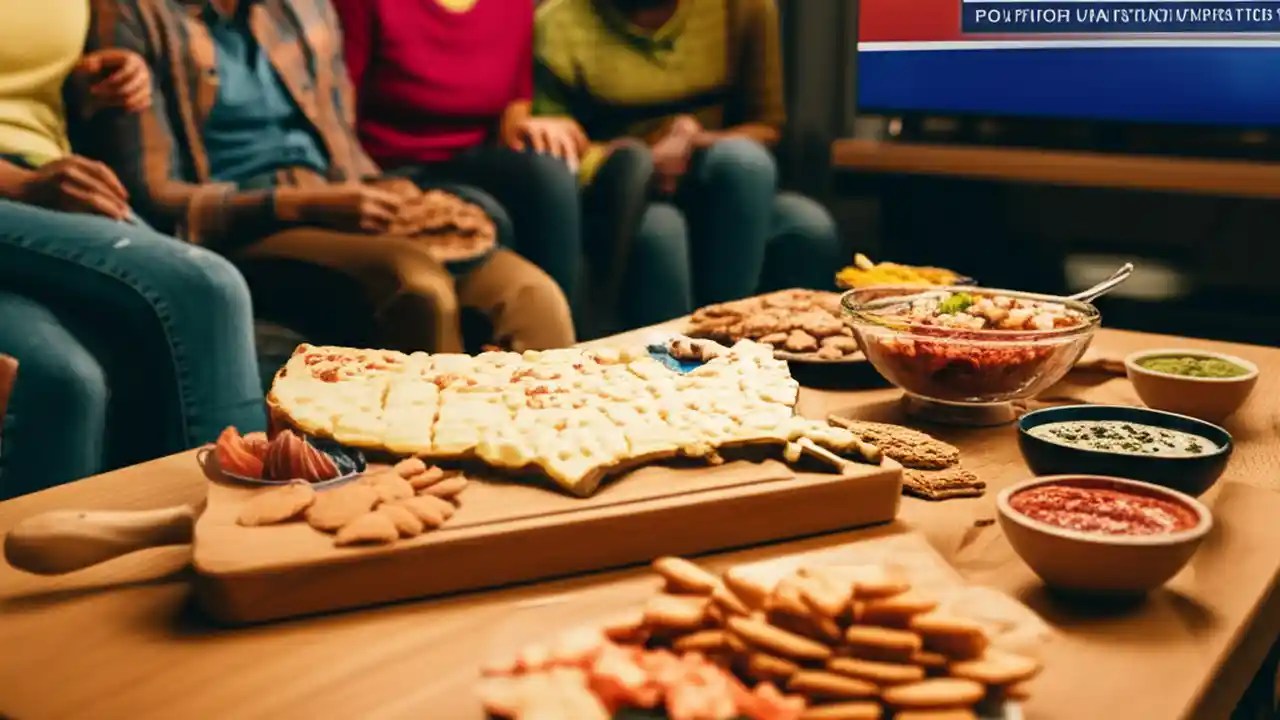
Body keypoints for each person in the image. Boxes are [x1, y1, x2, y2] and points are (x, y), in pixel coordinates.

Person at [82, 0, 575, 356]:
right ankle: (433, 477)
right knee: (415, 283)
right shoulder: (134, 14)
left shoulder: (304, 8)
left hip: (336, 204)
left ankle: (554, 463)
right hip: (245, 226)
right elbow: (154, 196)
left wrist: (395, 197)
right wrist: (310, 204)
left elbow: (344, 148)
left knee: (533, 295)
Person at [0, 0, 264, 497]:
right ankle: (248, 539)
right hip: (21, 186)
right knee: (204, 285)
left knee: (62, 381)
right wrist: (22, 184)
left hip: (40, 174)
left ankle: (76, 574)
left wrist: (89, 84)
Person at [535, 0, 841, 327]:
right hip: (624, 193)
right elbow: (552, 146)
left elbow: (767, 125)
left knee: (804, 221)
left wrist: (694, 143)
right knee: (662, 232)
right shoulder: (559, 21)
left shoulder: (742, 9)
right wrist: (645, 159)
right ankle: (693, 357)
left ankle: (732, 334)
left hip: (715, 177)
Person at [331, 0, 586, 307]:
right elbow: (334, 113)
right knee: (487, 214)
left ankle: (561, 342)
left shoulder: (515, 6)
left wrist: (534, 128)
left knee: (550, 176)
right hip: (388, 167)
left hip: (472, 159)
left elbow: (511, 116)